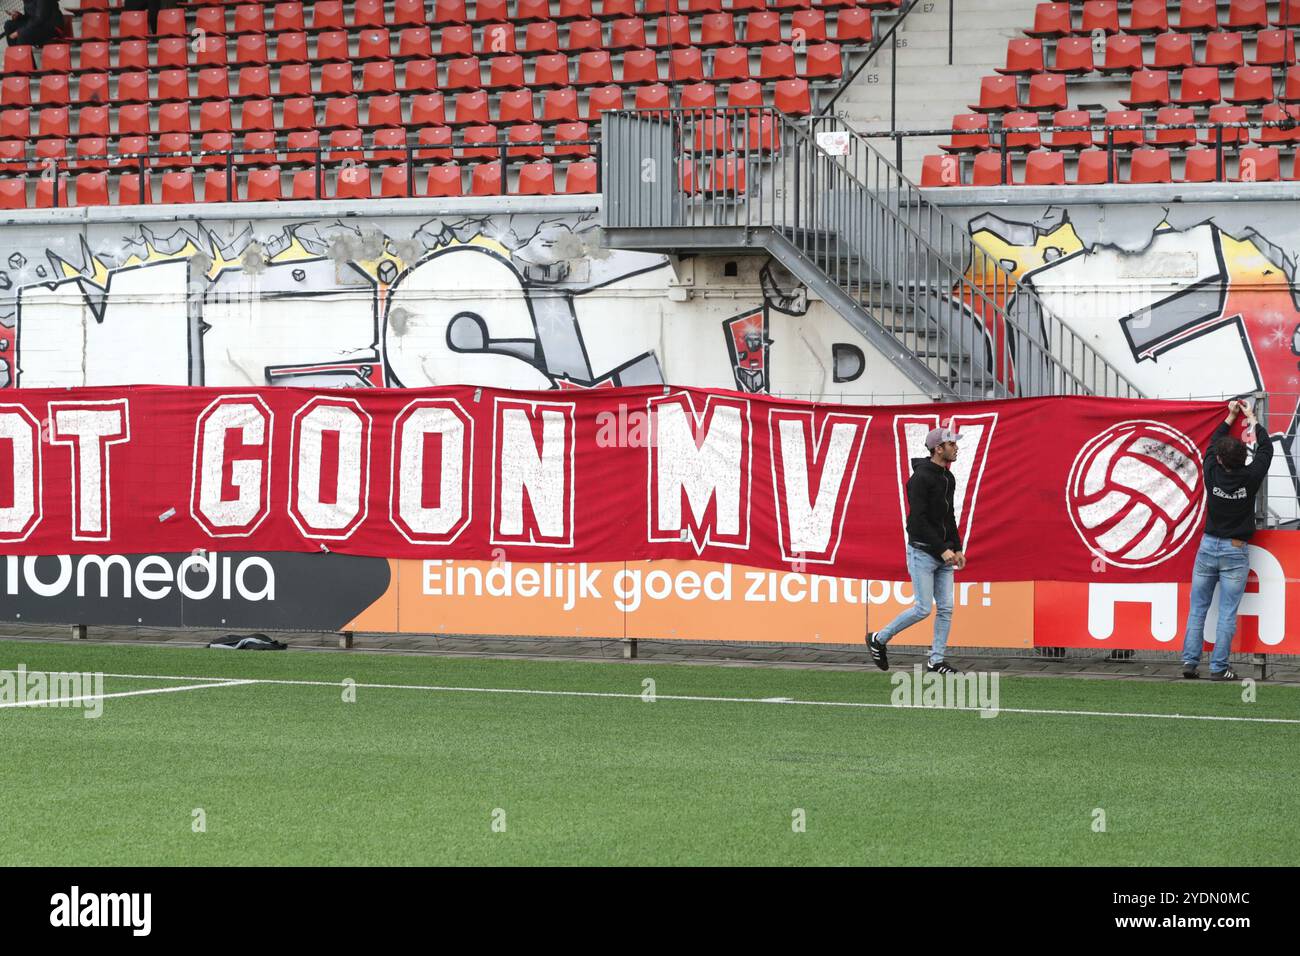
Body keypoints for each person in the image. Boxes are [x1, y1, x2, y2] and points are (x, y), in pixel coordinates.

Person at [1180, 399, 1273, 681]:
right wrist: (1252, 419)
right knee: (1227, 612)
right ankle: (1219, 668)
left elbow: (1213, 441)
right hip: (1235, 550)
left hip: (1208, 546)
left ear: (1219, 459)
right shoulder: (1251, 476)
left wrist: (1231, 416)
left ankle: (1189, 663)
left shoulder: (1211, 472)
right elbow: (1266, 450)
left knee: (1198, 608)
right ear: (1244, 457)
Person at [866, 426, 965, 676]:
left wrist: (957, 547)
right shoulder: (921, 478)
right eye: (951, 444)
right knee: (923, 608)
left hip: (943, 555)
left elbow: (949, 516)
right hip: (922, 553)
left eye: (955, 444)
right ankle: (879, 638)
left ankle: (936, 661)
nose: (956, 448)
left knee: (945, 608)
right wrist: (942, 549)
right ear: (938, 449)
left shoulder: (947, 477)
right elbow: (916, 522)